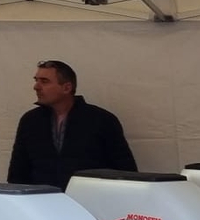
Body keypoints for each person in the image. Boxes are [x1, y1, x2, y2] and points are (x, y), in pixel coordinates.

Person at [7, 60, 136, 189]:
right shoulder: (30, 121)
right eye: (36, 80)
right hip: (42, 198)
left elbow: (125, 172)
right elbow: (18, 172)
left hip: (89, 198)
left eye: (44, 81)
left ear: (67, 88)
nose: (36, 86)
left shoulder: (101, 120)